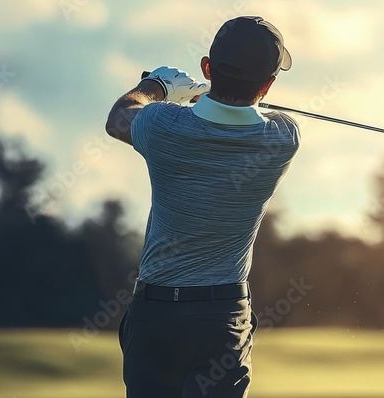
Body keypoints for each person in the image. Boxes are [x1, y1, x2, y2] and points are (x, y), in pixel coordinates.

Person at [103, 16, 298, 397]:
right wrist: (216, 97)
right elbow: (245, 114)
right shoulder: (283, 137)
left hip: (154, 315)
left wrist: (158, 85)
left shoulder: (162, 123)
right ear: (268, 85)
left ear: (207, 67)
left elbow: (119, 119)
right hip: (220, 318)